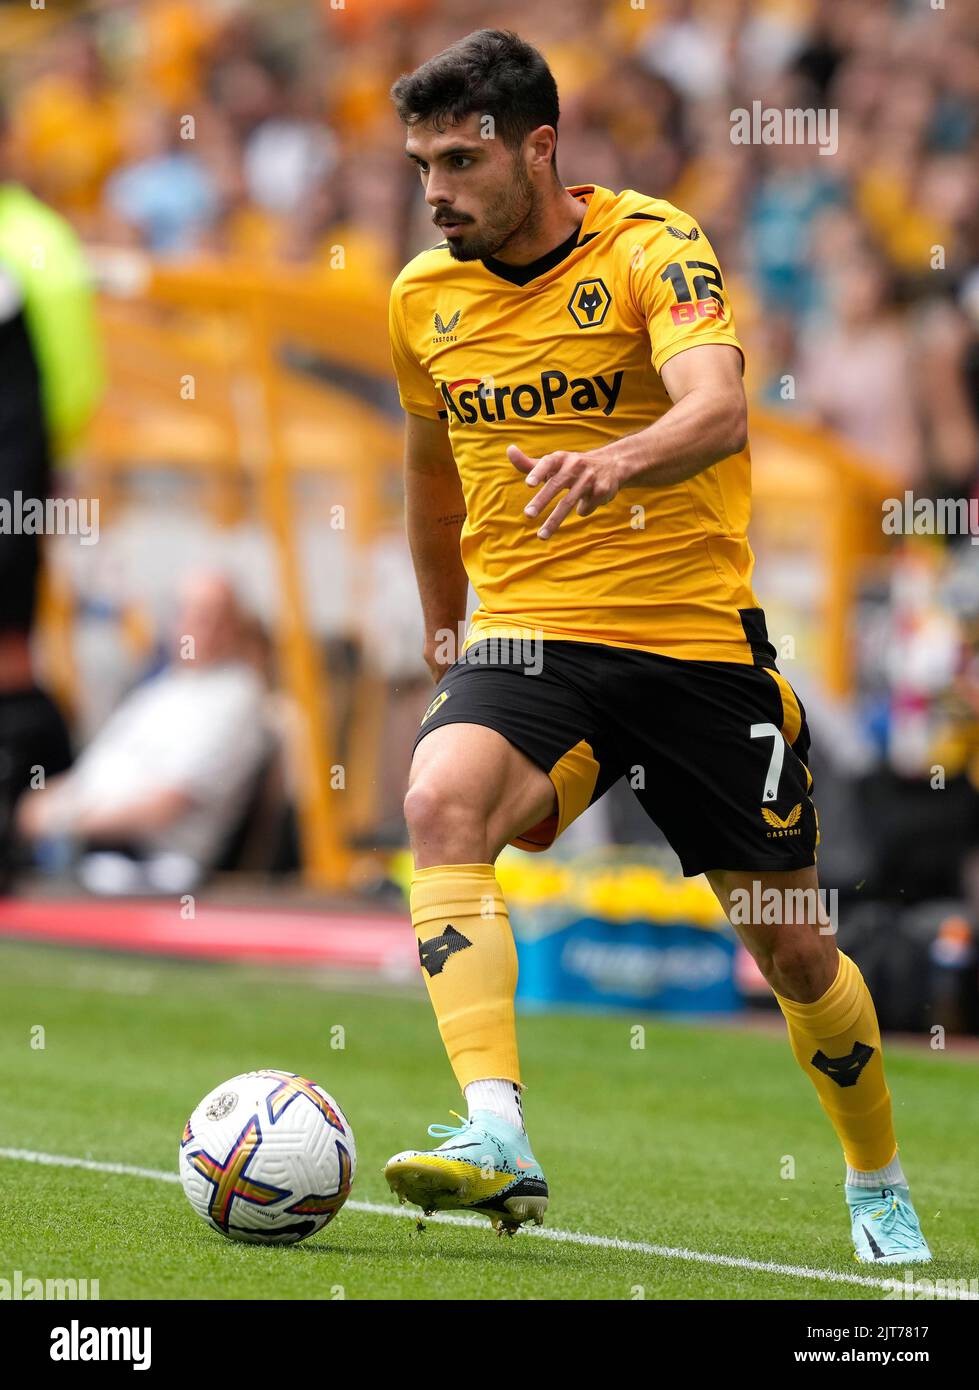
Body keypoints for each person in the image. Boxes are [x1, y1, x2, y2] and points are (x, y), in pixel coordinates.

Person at [382, 29, 931, 1263]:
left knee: (795, 952)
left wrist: (612, 459)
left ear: (539, 148)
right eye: (422, 164)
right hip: (532, 637)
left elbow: (721, 407)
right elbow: (429, 479)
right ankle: (494, 1131)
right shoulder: (422, 299)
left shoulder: (652, 245)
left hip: (691, 646)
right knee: (439, 799)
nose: (438, 190)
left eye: (463, 159)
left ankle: (876, 1175)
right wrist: (441, 621)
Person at [15, 573, 269, 894]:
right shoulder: (162, 690)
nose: (195, 627)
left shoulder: (236, 698)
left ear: (235, 627)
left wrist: (61, 822)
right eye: (186, 613)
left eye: (210, 617)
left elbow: (164, 807)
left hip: (144, 866)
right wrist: (39, 806)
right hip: (86, 851)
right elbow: (91, 776)